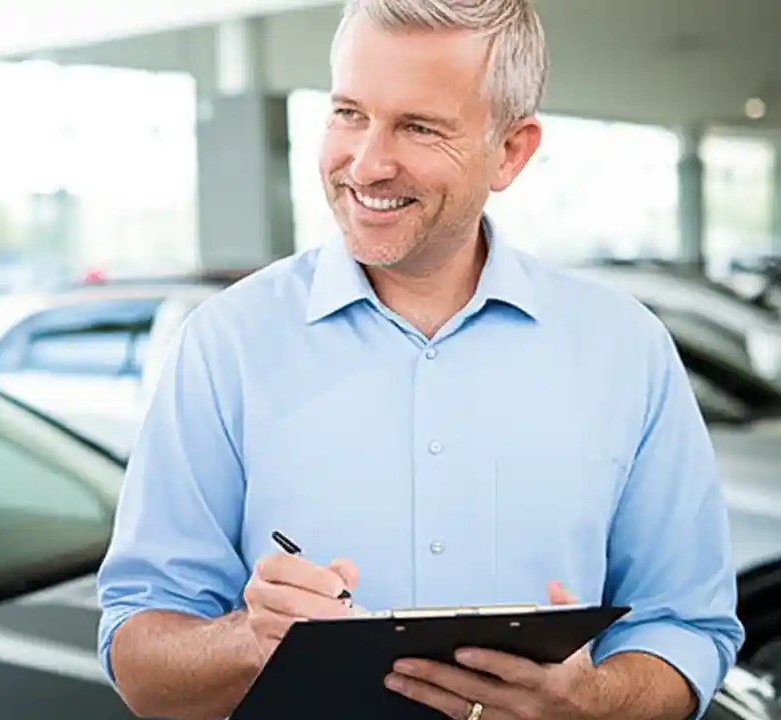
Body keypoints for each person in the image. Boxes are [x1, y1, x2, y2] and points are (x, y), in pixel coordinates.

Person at [97, 1, 745, 719]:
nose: (367, 163)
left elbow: (689, 629)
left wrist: (595, 701)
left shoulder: (626, 350)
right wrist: (253, 639)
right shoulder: (225, 344)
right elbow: (139, 660)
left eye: (418, 127)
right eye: (348, 113)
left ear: (511, 152)